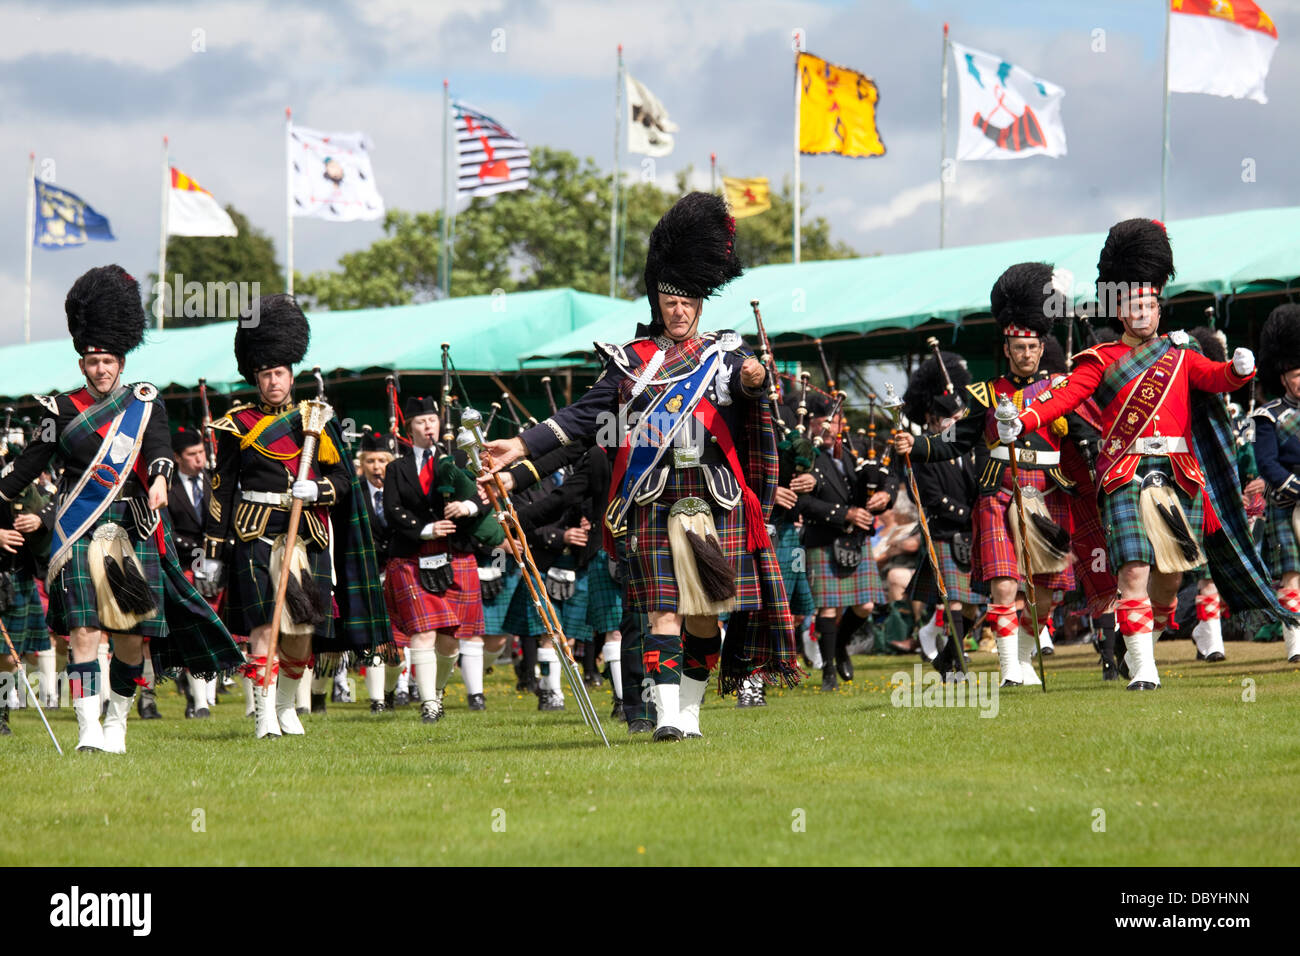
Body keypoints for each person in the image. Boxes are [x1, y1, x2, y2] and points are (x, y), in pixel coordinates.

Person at [483, 192, 799, 741]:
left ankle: (693, 714)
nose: (678, 310)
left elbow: (753, 396)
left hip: (712, 496)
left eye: (688, 302)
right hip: (652, 497)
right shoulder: (631, 361)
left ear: (701, 305)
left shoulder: (726, 356)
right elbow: (585, 417)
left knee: (704, 618)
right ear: (658, 300)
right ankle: (669, 718)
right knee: (662, 614)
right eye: (669, 300)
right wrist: (522, 445)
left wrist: (755, 381)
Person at [1008, 219, 1281, 689]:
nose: (1143, 312)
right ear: (1121, 309)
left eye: (1150, 304)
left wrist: (1239, 371)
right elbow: (1064, 399)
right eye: (1134, 305)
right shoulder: (1100, 359)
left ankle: (1146, 644)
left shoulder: (1181, 354)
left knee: (1170, 578)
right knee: (1132, 570)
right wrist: (1026, 419)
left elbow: (1216, 379)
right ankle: (1144, 669)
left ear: (1158, 308)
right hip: (1124, 475)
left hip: (1176, 473)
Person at [0, 265, 242, 751]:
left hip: (133, 527)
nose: (101, 369)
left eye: (108, 360)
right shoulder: (57, 411)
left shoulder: (145, 403)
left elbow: (157, 451)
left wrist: (158, 479)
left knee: (131, 639)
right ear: (82, 363)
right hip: (79, 531)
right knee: (85, 632)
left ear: (121, 362)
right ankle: (89, 727)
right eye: (92, 361)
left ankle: (117, 720)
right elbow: (21, 475)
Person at [896, 262, 1106, 687]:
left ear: (1040, 347)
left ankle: (1024, 659)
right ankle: (1010, 670)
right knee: (1005, 589)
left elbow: (1089, 441)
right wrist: (914, 445)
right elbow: (953, 441)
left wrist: (1087, 448)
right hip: (998, 495)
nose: (1025, 355)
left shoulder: (1062, 392)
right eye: (1017, 348)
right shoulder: (983, 394)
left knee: (1044, 597)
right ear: (1006, 348)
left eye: (1031, 348)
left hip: (1047, 496)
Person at [204, 294, 391, 737]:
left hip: (307, 534)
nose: (273, 381)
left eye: (280, 373)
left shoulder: (317, 419)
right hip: (254, 532)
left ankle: (288, 706)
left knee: (303, 629)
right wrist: (212, 551)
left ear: (292, 375)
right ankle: (264, 713)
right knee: (265, 626)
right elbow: (221, 488)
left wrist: (319, 489)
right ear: (256, 377)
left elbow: (345, 482)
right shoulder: (236, 424)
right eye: (266, 374)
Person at [381, 396, 502, 722]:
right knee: (423, 633)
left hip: (455, 553)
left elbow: (487, 498)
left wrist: (468, 508)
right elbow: (393, 510)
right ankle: (429, 703)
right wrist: (425, 529)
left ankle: (436, 691)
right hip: (412, 555)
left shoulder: (457, 463)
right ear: (410, 429)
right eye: (421, 422)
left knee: (449, 642)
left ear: (439, 424)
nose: (428, 426)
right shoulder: (396, 469)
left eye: (432, 420)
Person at [796, 397, 895, 691]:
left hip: (856, 539)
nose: (828, 430)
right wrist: (844, 513)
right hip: (824, 537)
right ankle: (828, 671)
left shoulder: (857, 448)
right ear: (811, 425)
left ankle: (839, 646)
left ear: (842, 424)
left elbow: (885, 476)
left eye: (833, 423)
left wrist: (886, 496)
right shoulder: (806, 454)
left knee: (864, 605)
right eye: (821, 425)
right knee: (827, 608)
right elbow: (802, 502)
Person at [900, 350, 981, 678]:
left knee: (976, 606)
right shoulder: (923, 451)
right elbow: (932, 498)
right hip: (946, 531)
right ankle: (959, 665)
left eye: (959, 416)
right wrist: (969, 514)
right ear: (933, 420)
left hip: (971, 532)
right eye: (948, 418)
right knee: (958, 604)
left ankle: (946, 659)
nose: (954, 423)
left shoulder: (971, 451)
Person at [1249, 303, 1300, 663]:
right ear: (1283, 378)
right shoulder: (1268, 416)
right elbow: (1266, 463)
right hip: (1286, 505)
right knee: (1292, 576)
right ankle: (1296, 646)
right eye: (1297, 375)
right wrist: (1294, 485)